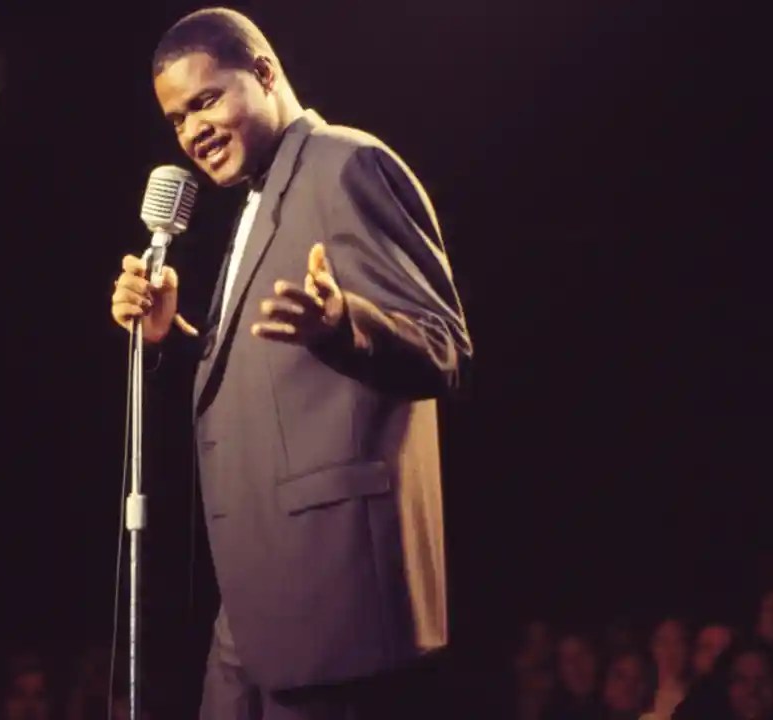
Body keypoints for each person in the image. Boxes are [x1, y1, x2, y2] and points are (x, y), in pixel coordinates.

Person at [108, 7, 472, 718]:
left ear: (265, 73)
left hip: (333, 600)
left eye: (207, 100)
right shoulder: (257, 201)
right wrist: (170, 336)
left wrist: (343, 324)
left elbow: (444, 348)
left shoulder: (347, 163)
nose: (193, 132)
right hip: (251, 605)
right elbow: (263, 378)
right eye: (179, 119)